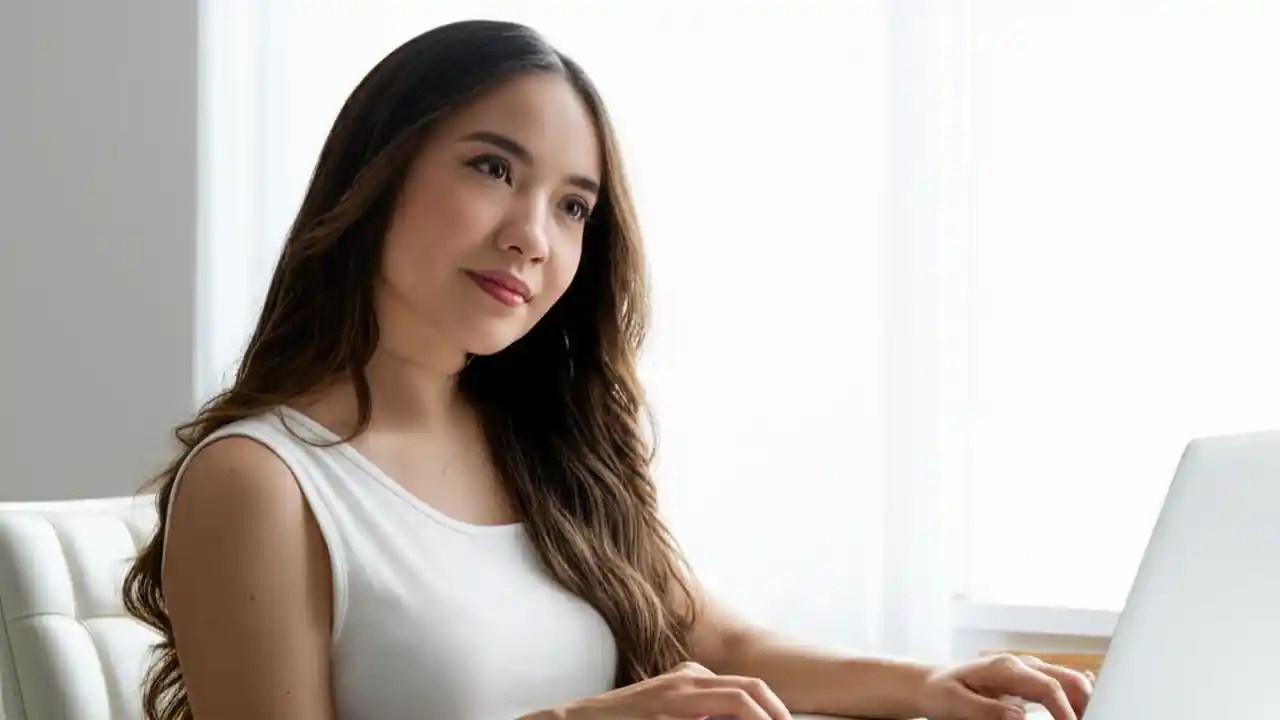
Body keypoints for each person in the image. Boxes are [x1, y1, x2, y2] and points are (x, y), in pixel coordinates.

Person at [123, 19, 1093, 720]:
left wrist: (923, 686)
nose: (530, 237)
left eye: (572, 207)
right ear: (376, 176)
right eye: (491, 169)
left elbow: (721, 644)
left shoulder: (541, 442)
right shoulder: (262, 481)